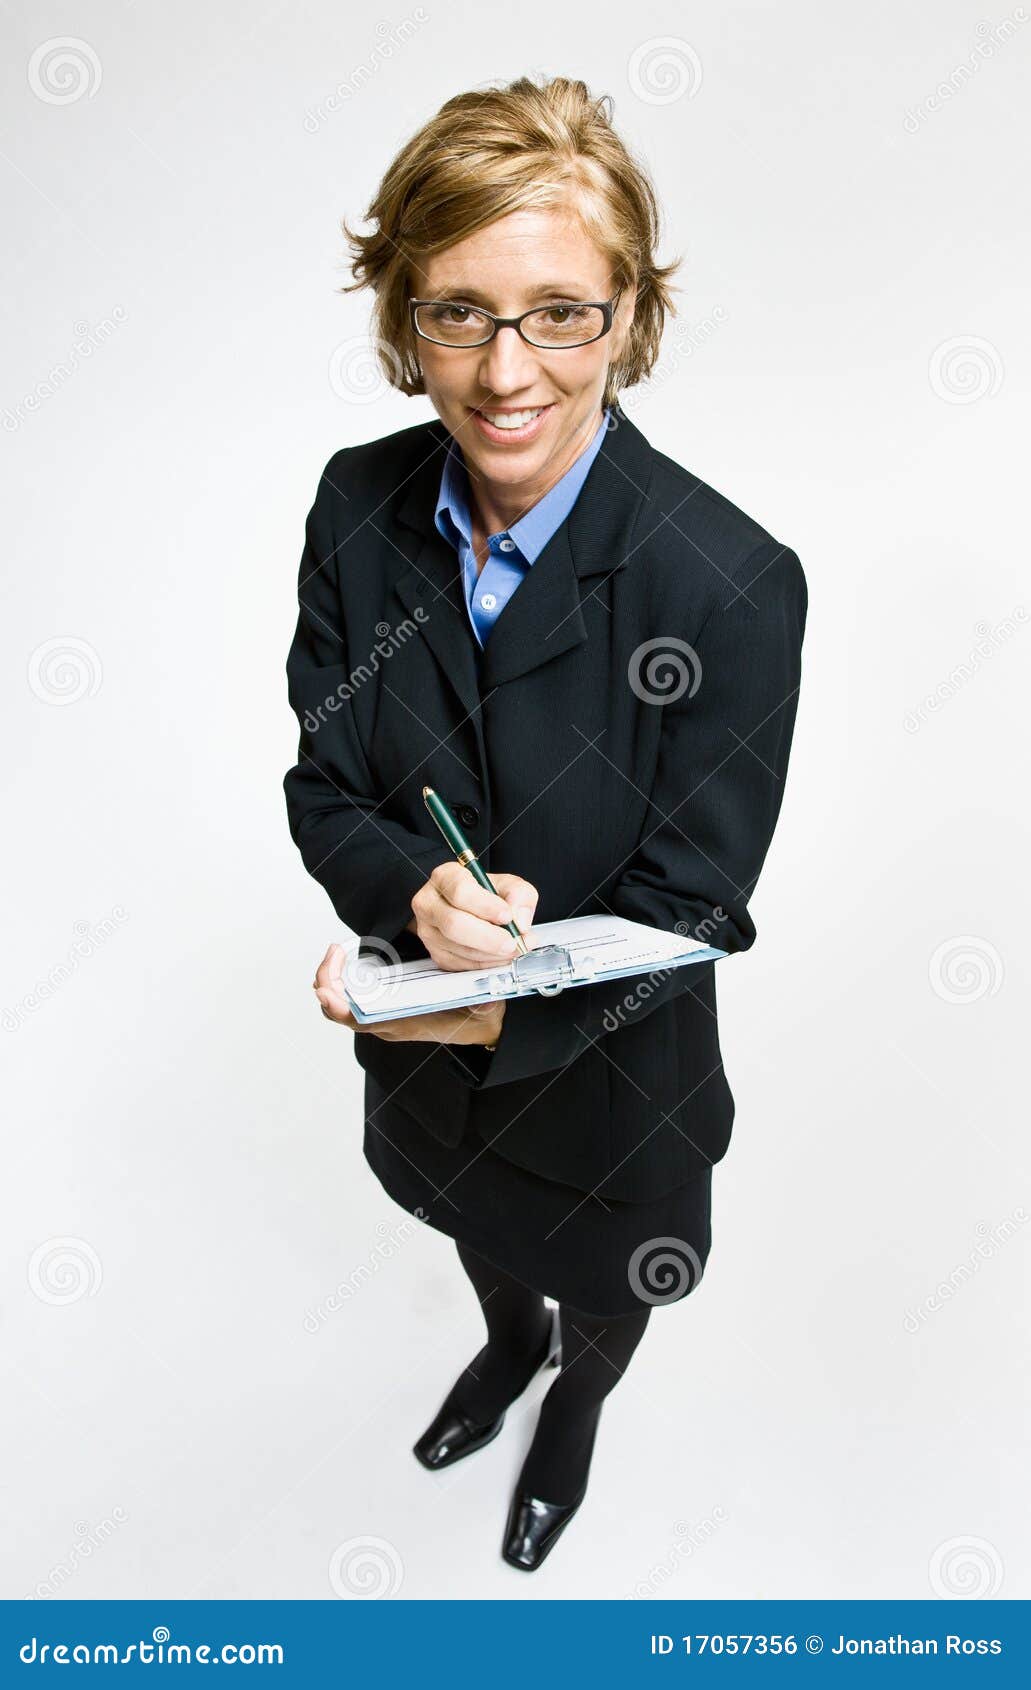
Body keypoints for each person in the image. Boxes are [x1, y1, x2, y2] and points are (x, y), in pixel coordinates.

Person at [286, 74, 808, 1572]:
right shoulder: (354, 508)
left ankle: (573, 1402)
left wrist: (486, 1018)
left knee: (601, 1293)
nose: (507, 370)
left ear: (629, 317)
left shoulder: (729, 585)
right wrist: (412, 902)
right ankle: (508, 1347)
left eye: (560, 312)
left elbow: (691, 907)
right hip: (427, 1083)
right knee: (480, 1244)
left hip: (610, 1106)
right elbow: (324, 788)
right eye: (459, 312)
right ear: (405, 321)